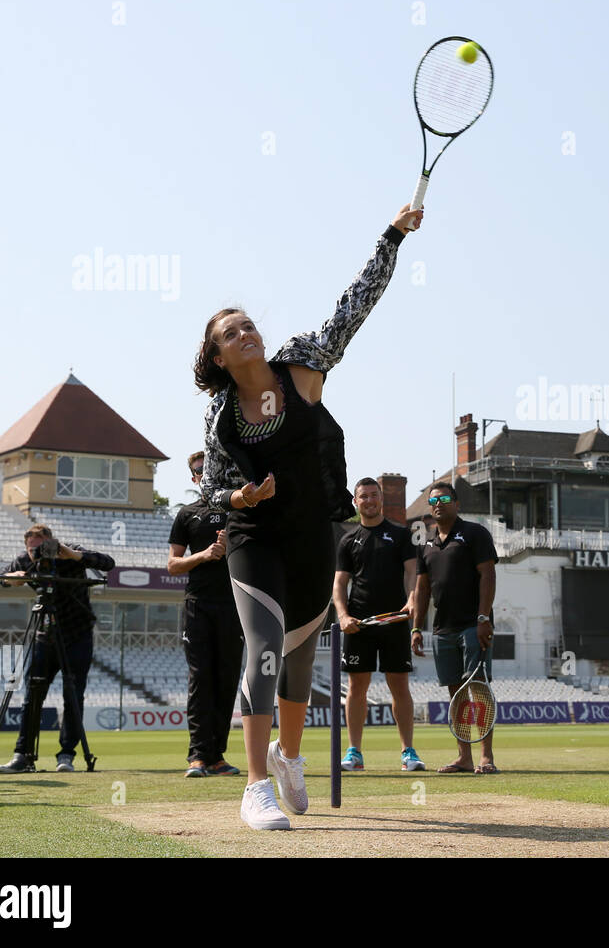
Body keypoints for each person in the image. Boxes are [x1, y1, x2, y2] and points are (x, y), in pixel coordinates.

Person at [197, 204, 420, 830]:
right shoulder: (220, 417)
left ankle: (287, 756)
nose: (247, 333)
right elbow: (210, 493)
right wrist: (239, 500)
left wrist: (392, 237)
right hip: (252, 538)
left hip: (314, 533)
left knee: (298, 659)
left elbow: (356, 305)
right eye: (231, 333)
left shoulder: (302, 367)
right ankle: (255, 785)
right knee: (264, 647)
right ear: (217, 356)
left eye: (248, 325)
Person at [0, 525, 115, 773]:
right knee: (32, 697)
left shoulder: (71, 553)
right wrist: (13, 578)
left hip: (77, 635)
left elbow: (108, 563)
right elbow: (3, 579)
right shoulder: (24, 559)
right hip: (44, 635)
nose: (37, 554)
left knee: (73, 696)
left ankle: (66, 755)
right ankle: (22, 755)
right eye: (32, 550)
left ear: (53, 542)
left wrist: (71, 554)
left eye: (42, 548)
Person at [333, 477, 423, 772]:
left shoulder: (401, 535)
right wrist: (344, 616)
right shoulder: (348, 540)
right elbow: (339, 584)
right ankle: (354, 752)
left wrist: (411, 601)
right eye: (364, 496)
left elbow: (412, 575)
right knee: (357, 686)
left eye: (374, 495)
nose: (369, 500)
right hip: (360, 623)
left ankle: (408, 752)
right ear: (356, 502)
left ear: (381, 499)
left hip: (395, 621)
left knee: (399, 685)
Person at [413, 481, 499, 774]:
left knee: (478, 688)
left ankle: (486, 757)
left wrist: (483, 618)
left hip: (473, 626)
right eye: (433, 500)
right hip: (442, 630)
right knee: (456, 693)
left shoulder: (475, 533)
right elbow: (422, 589)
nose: (438, 503)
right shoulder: (425, 543)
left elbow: (488, 575)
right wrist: (415, 629)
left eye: (445, 498)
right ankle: (464, 757)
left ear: (457, 503)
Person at [168, 450, 243, 778]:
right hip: (198, 605)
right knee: (201, 678)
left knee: (226, 679)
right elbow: (172, 564)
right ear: (195, 477)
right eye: (199, 470)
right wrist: (204, 554)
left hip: (234, 606)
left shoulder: (237, 512)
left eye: (210, 468)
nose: (204, 474)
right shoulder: (187, 514)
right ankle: (197, 755)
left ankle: (217, 756)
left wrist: (233, 547)